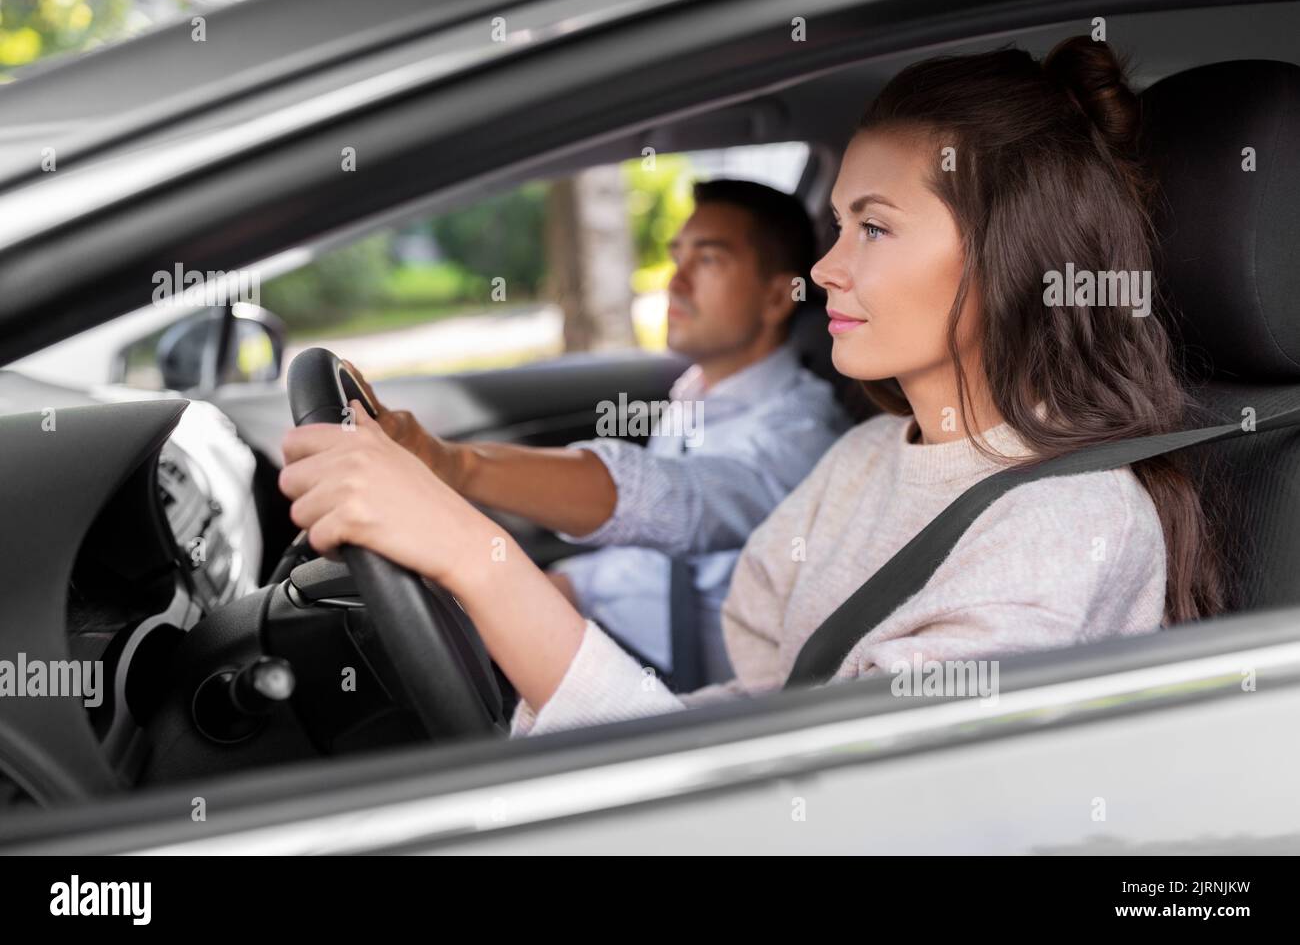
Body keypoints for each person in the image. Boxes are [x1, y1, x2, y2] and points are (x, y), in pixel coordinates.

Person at [279, 36, 1222, 737]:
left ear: (1013, 259)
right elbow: (759, 715)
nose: (825, 270)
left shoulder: (1061, 527)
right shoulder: (863, 457)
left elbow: (823, 814)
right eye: (836, 223)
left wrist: (466, 549)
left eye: (874, 228)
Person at [342, 179, 849, 686]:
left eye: (709, 261)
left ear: (779, 296)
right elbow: (638, 566)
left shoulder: (802, 436)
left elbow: (681, 502)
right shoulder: (697, 392)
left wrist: (450, 464)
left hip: (680, 694)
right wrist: (553, 588)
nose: (676, 282)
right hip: (607, 628)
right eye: (679, 257)